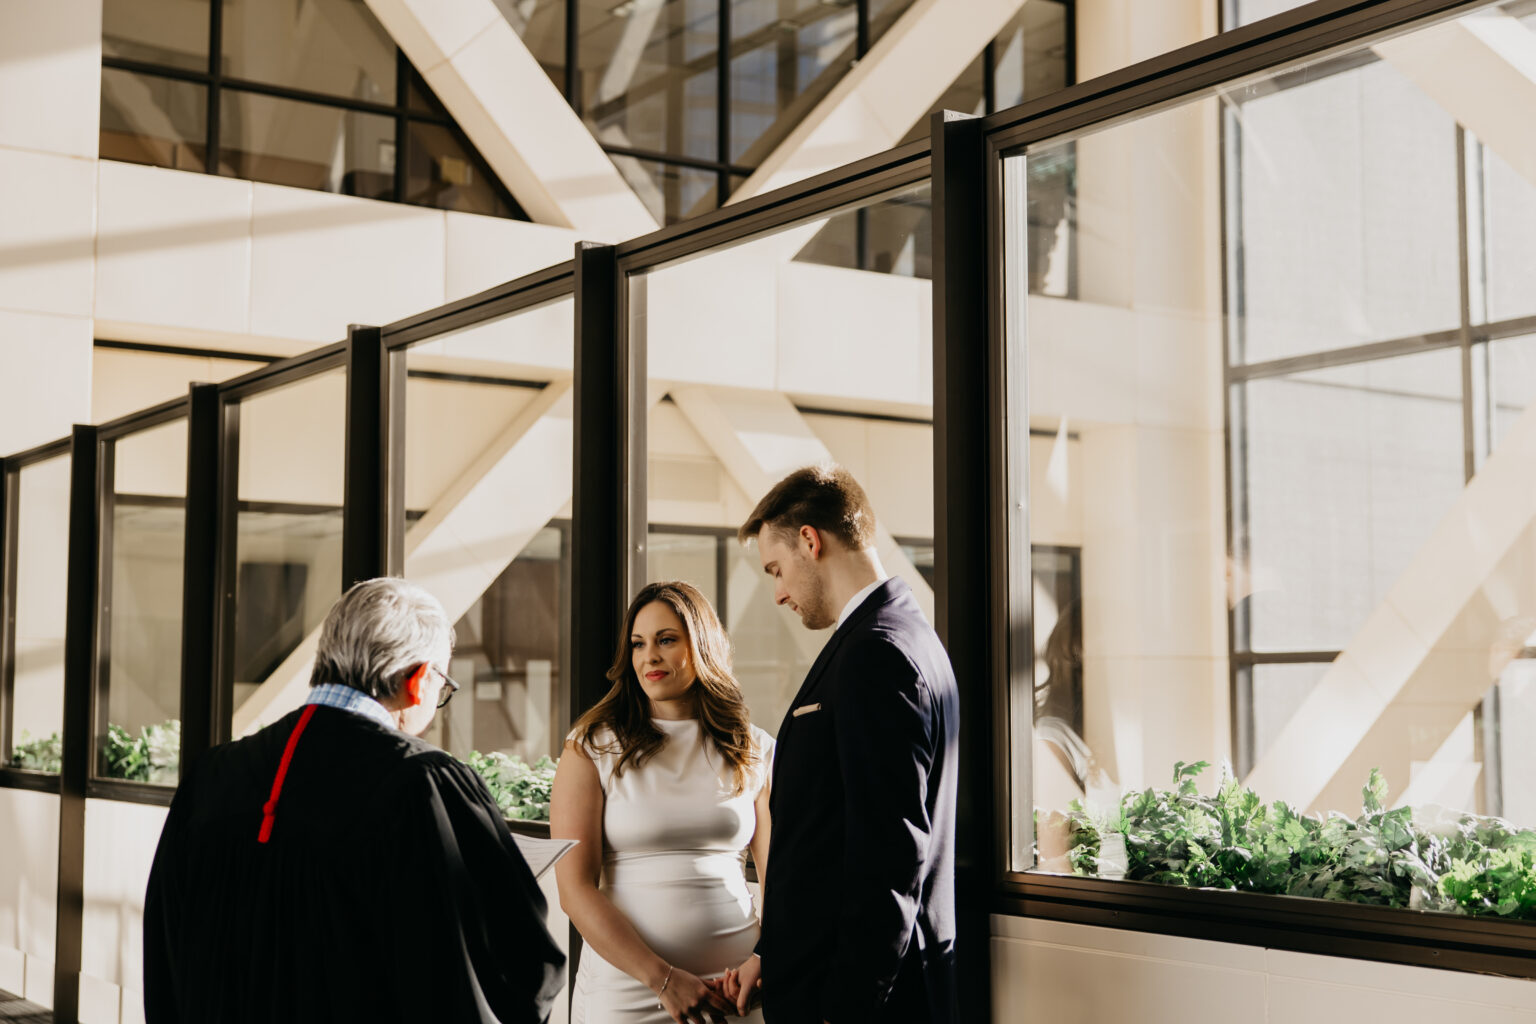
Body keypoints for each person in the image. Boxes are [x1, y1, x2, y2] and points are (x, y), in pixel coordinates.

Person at [143, 577, 565, 1024]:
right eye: (443, 685)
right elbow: (515, 963)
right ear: (419, 680)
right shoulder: (421, 781)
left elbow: (165, 945)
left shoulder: (212, 775)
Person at [721, 465, 959, 1024]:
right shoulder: (907, 635)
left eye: (776, 570)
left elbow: (887, 857)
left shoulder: (877, 653)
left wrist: (845, 1009)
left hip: (858, 1000)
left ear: (811, 540)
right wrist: (772, 951)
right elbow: (828, 835)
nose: (778, 593)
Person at [552, 581, 773, 1024]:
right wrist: (664, 980)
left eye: (666, 640)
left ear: (702, 645)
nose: (648, 656)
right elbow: (575, 891)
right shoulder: (591, 747)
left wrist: (767, 960)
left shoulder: (754, 748)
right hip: (628, 994)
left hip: (737, 993)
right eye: (638, 644)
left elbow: (782, 877)